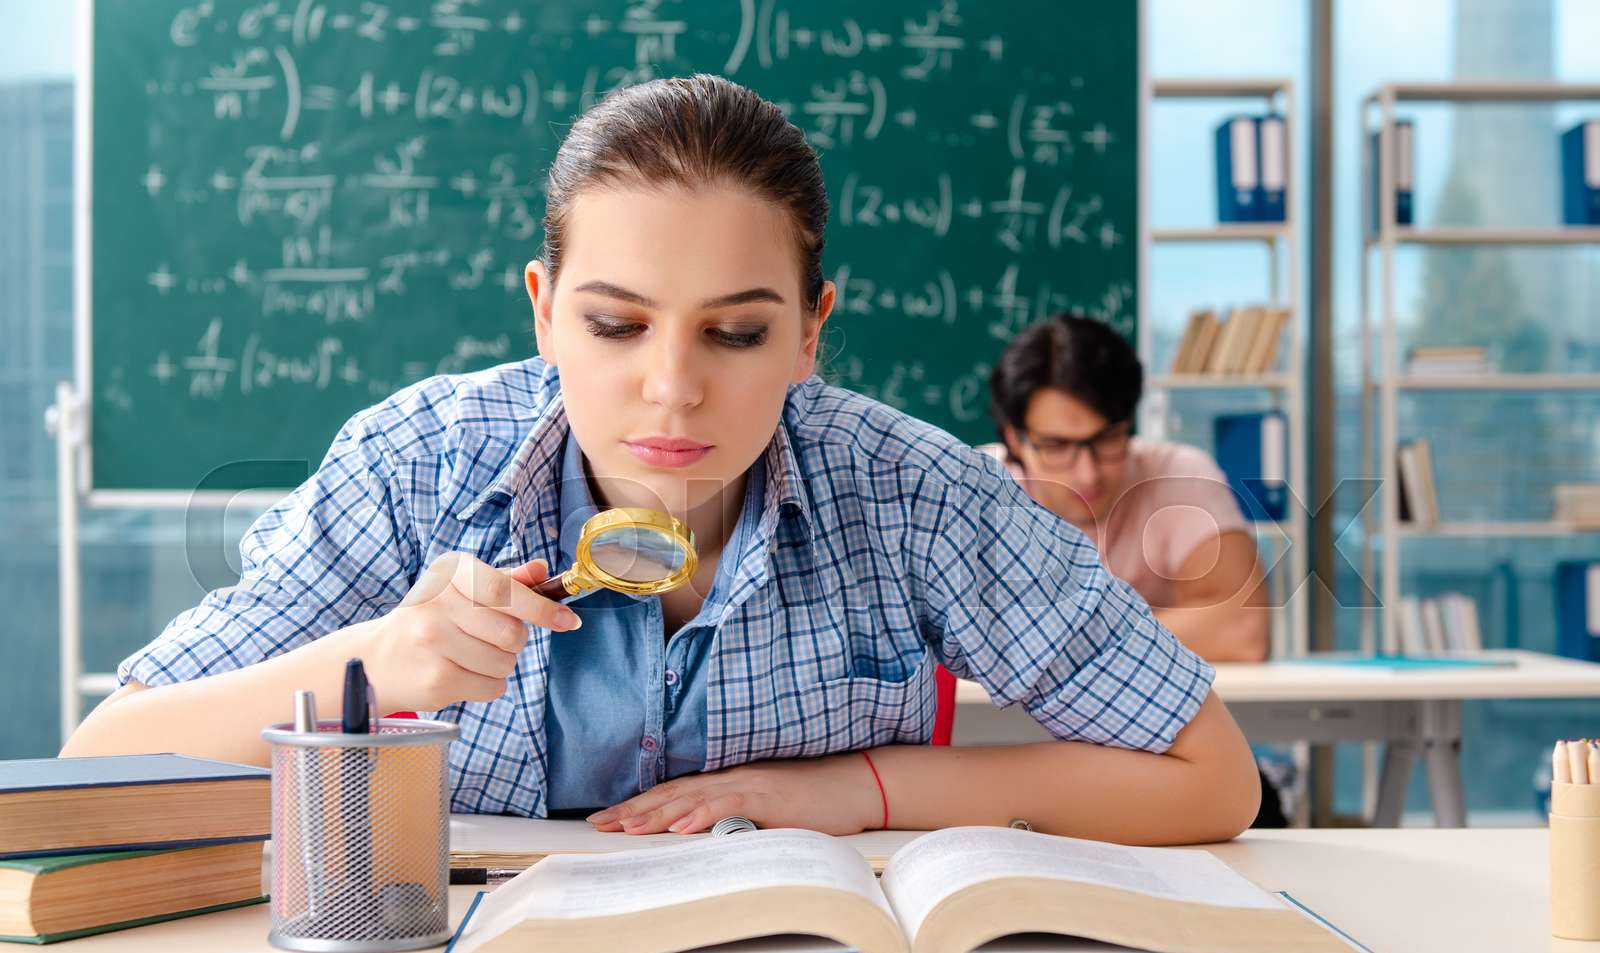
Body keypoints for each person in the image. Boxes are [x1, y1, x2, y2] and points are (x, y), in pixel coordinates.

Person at [64, 75, 1260, 845]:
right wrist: (372, 659)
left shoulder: (913, 491)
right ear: (544, 313)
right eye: (615, 324)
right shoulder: (412, 467)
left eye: (736, 333)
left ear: (810, 331)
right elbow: (101, 761)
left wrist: (853, 790)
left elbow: (1212, 775)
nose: (673, 387)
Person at [983, 314, 1271, 663]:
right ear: (1015, 438)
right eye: (1057, 446)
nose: (1088, 474)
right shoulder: (974, 489)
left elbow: (1241, 630)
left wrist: (1047, 644)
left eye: (1107, 438)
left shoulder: (1180, 475)